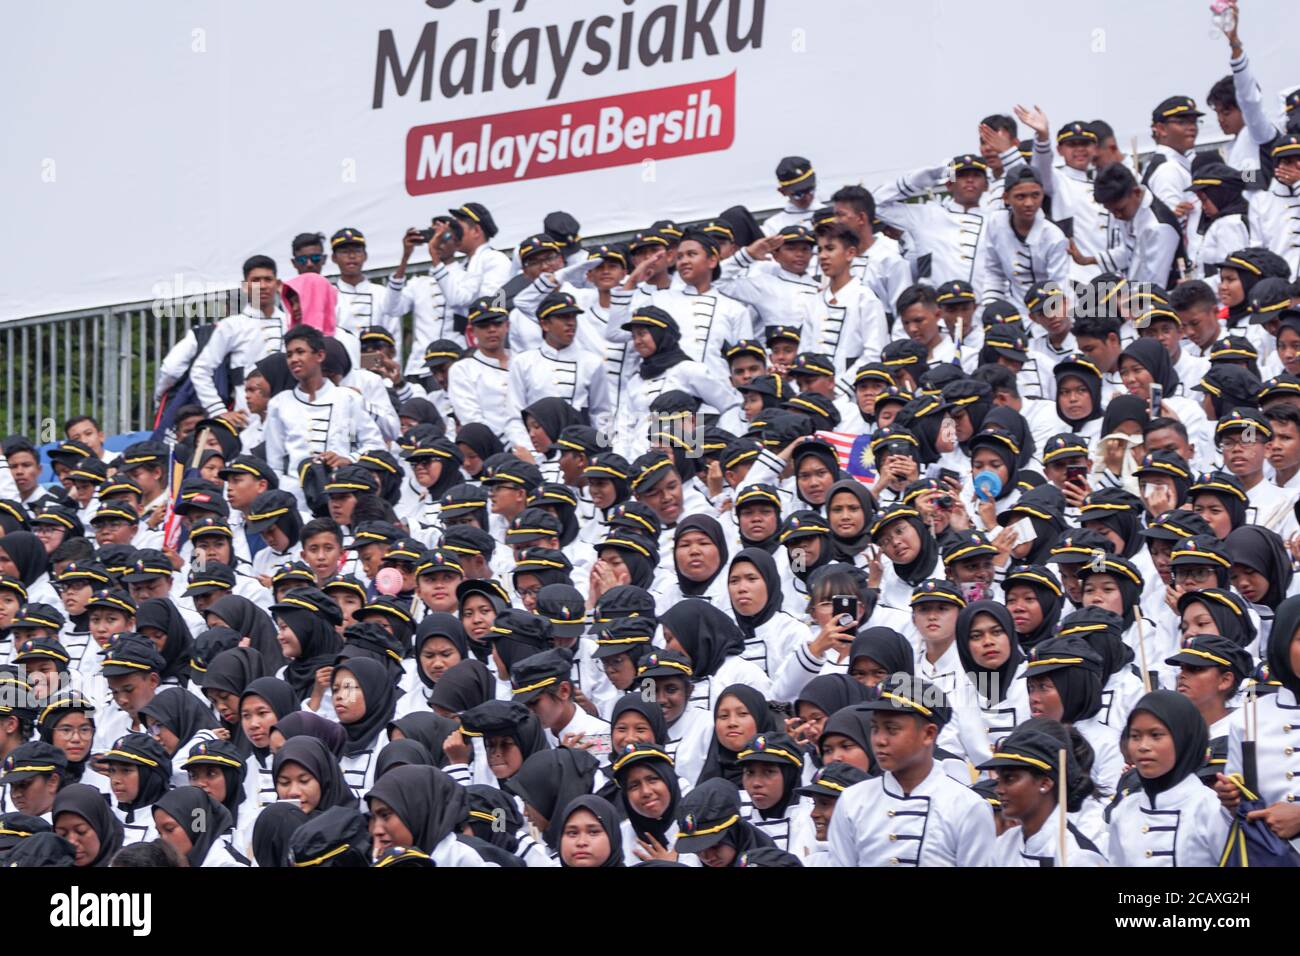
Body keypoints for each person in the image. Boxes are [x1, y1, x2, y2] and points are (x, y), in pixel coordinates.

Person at [828, 674, 996, 866]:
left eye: (892, 729)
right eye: (875, 728)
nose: (879, 740)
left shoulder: (967, 806)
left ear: (928, 734)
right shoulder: (853, 800)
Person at [1110, 690, 1229, 866]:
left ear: (1184, 739)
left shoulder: (1211, 809)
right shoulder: (1124, 811)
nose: (1143, 746)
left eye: (1156, 735)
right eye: (1135, 736)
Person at [978, 724, 1107, 866]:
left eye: (1010, 779)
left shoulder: (1077, 856)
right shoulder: (1005, 843)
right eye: (999, 780)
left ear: (1045, 783)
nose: (999, 790)